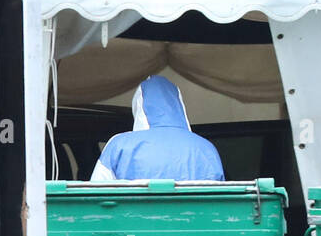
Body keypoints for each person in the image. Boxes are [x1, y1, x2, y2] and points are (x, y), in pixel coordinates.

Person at [90, 75, 225, 181]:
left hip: (134, 216)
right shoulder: (206, 148)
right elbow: (222, 202)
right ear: (178, 104)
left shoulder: (119, 145)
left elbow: (95, 197)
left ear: (139, 106)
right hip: (196, 216)